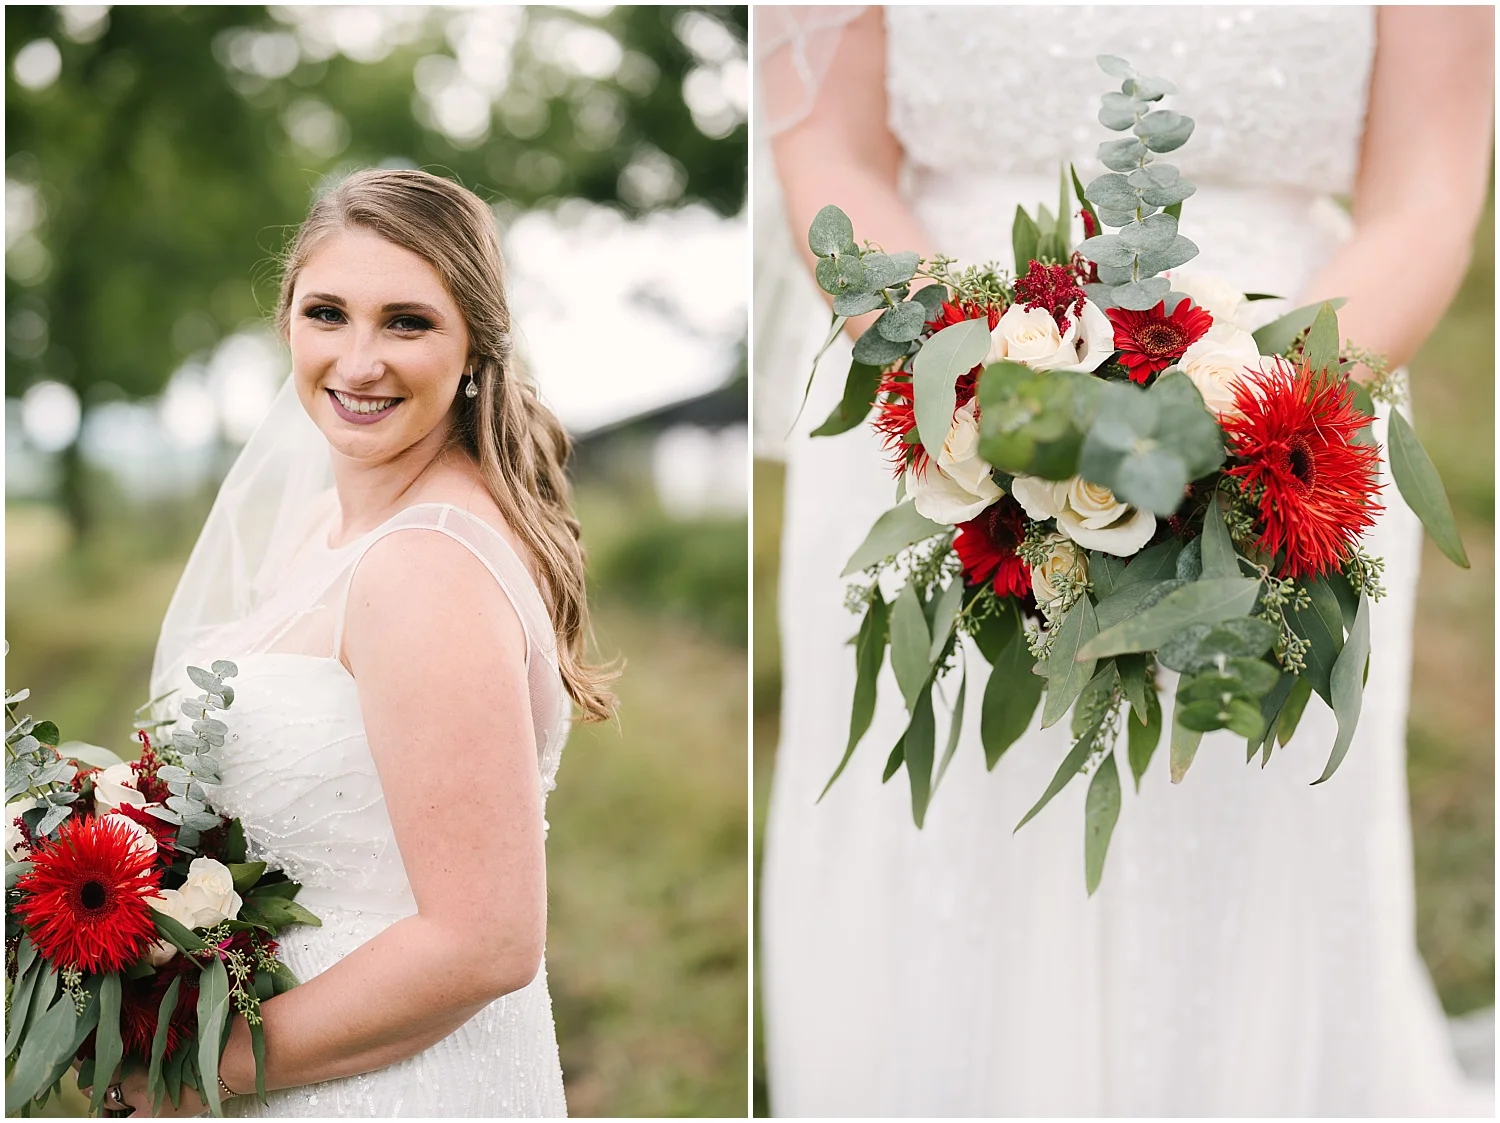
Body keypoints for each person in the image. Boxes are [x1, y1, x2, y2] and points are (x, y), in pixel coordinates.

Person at [758, 6, 1493, 1116]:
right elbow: (833, 147)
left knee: (1242, 817)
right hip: (943, 391)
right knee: (953, 826)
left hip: (1298, 399)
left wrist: (1249, 423)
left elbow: (1426, 190)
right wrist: (984, 392)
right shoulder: (960, 381)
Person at [103, 168, 614, 1116]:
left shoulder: (426, 563)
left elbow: (485, 940)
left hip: (385, 1083)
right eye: (327, 312)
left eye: (408, 322)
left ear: (473, 350)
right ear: (287, 322)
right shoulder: (321, 533)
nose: (360, 360)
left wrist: (195, 1073)